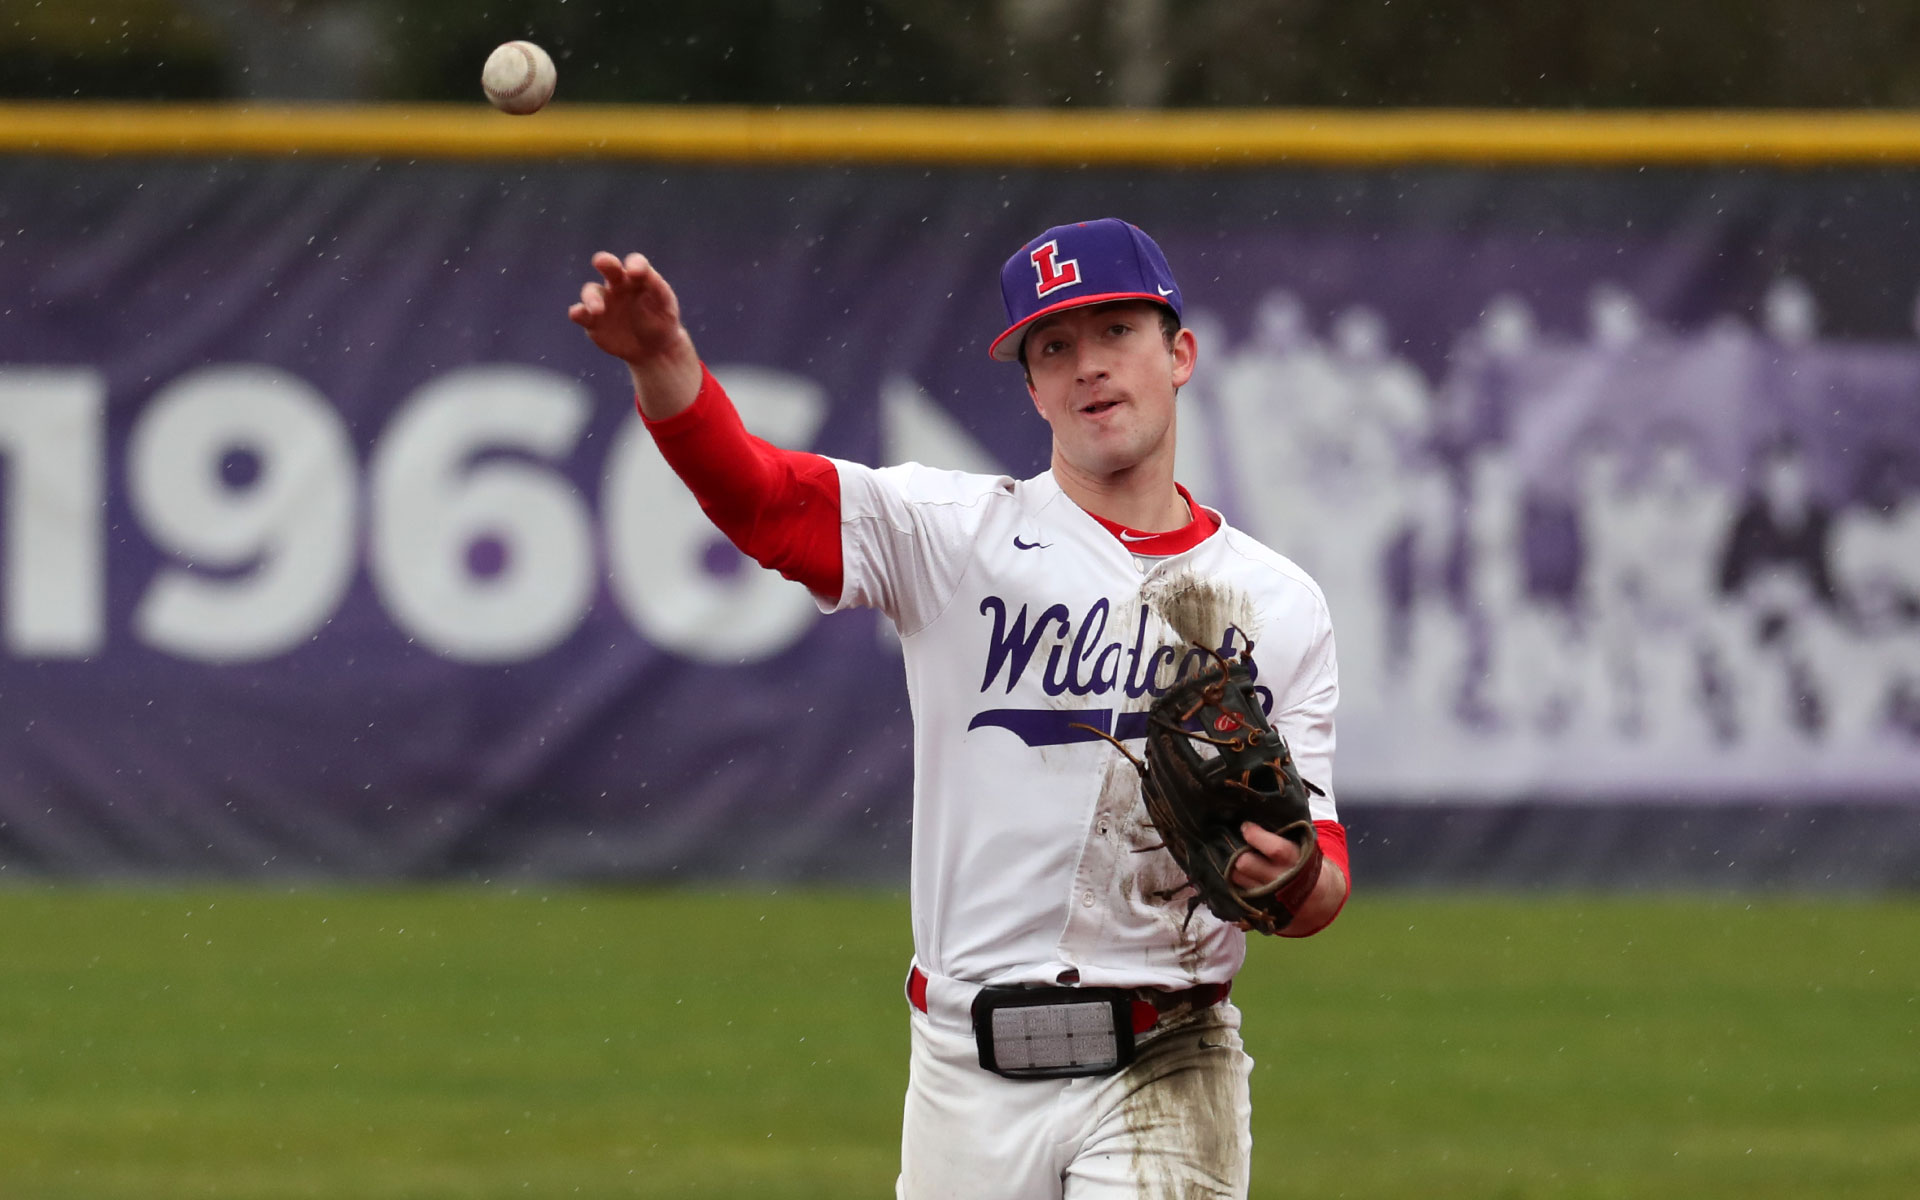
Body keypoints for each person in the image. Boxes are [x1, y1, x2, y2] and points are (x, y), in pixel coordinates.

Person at [568, 218, 1352, 1199]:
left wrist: (1289, 883)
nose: (1087, 368)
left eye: (1115, 331)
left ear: (1180, 353)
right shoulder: (954, 537)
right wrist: (664, 363)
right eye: (1054, 347)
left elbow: (1323, 877)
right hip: (966, 1074)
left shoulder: (1276, 604)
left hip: (1171, 1057)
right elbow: (764, 499)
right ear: (1031, 389)